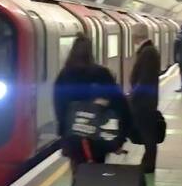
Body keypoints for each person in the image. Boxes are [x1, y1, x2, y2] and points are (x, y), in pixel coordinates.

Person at [53, 35, 131, 168]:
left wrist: (64, 134)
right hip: (98, 138)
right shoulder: (102, 74)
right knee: (96, 171)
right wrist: (120, 138)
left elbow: (59, 108)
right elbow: (120, 105)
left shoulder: (64, 75)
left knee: (78, 171)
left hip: (73, 137)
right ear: (91, 52)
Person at [128, 24, 161, 174]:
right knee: (148, 132)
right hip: (147, 100)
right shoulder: (149, 51)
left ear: (135, 36)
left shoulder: (147, 52)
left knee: (148, 133)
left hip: (145, 102)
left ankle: (149, 164)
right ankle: (147, 161)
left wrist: (132, 97)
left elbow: (144, 80)